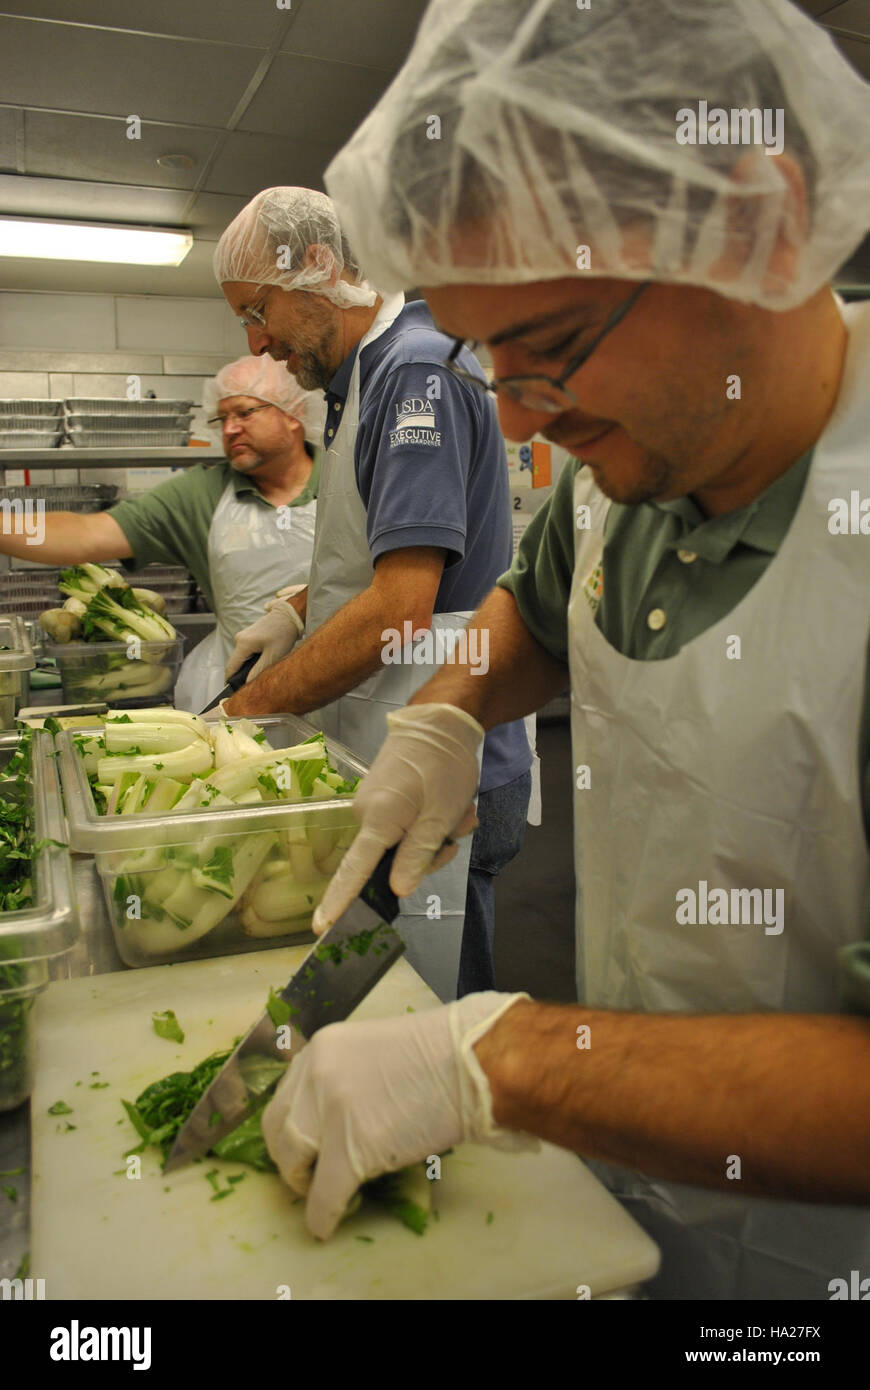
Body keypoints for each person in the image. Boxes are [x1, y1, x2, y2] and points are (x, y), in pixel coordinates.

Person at [257, 0, 870, 1300]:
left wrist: (515, 1058)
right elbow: (537, 609)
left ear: (750, 223)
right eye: (491, 365)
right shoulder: (623, 462)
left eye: (548, 349)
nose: (525, 418)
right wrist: (441, 719)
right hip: (628, 1199)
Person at [211, 187, 534, 1000]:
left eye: (259, 310)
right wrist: (297, 606)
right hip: (396, 739)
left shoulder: (414, 371)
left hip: (446, 757)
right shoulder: (363, 381)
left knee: (425, 1004)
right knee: (385, 991)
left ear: (316, 267)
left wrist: (241, 717)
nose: (258, 342)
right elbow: (374, 554)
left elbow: (401, 607)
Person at [0, 355, 324, 713]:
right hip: (239, 686)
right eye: (222, 418)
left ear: (293, 413)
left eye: (245, 413)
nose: (229, 429)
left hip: (344, 682)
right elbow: (85, 533)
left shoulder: (345, 478)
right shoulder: (202, 494)